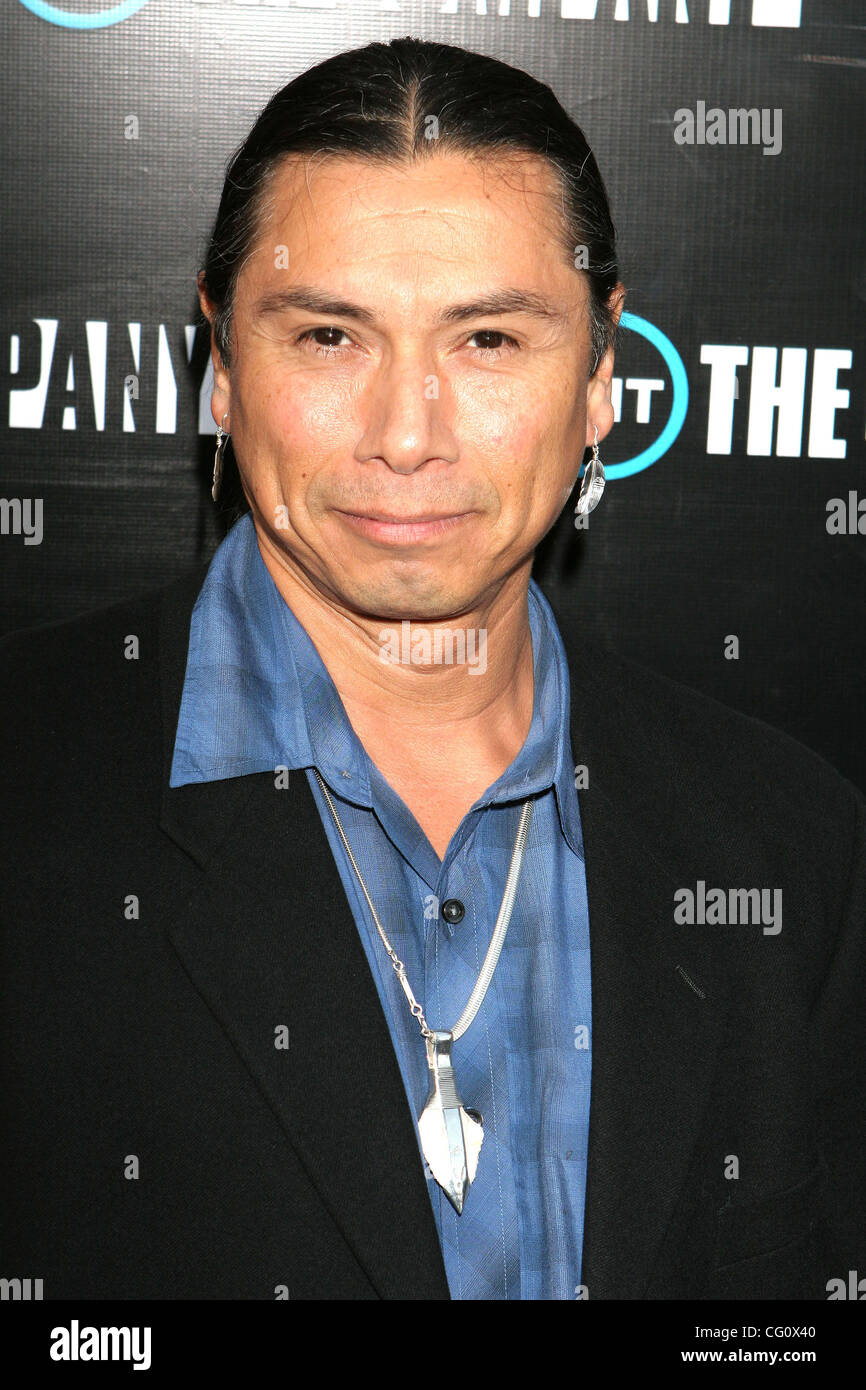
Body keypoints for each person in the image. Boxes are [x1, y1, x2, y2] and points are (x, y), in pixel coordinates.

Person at [1, 36, 864, 1302]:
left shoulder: (788, 845)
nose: (406, 436)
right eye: (330, 338)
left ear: (600, 373)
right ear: (224, 368)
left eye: (489, 342)